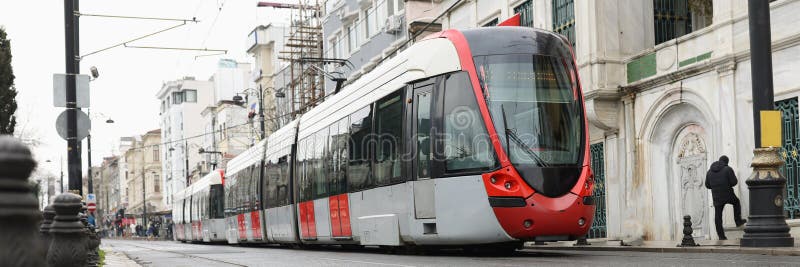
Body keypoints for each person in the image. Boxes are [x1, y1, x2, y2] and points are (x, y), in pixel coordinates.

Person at [705, 155, 747, 240]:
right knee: (736, 202)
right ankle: (738, 221)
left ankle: (721, 236)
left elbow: (707, 185)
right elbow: (734, 182)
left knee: (718, 216)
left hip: (716, 196)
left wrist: (715, 186)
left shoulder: (709, 171)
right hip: (727, 194)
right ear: (726, 162)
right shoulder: (728, 169)